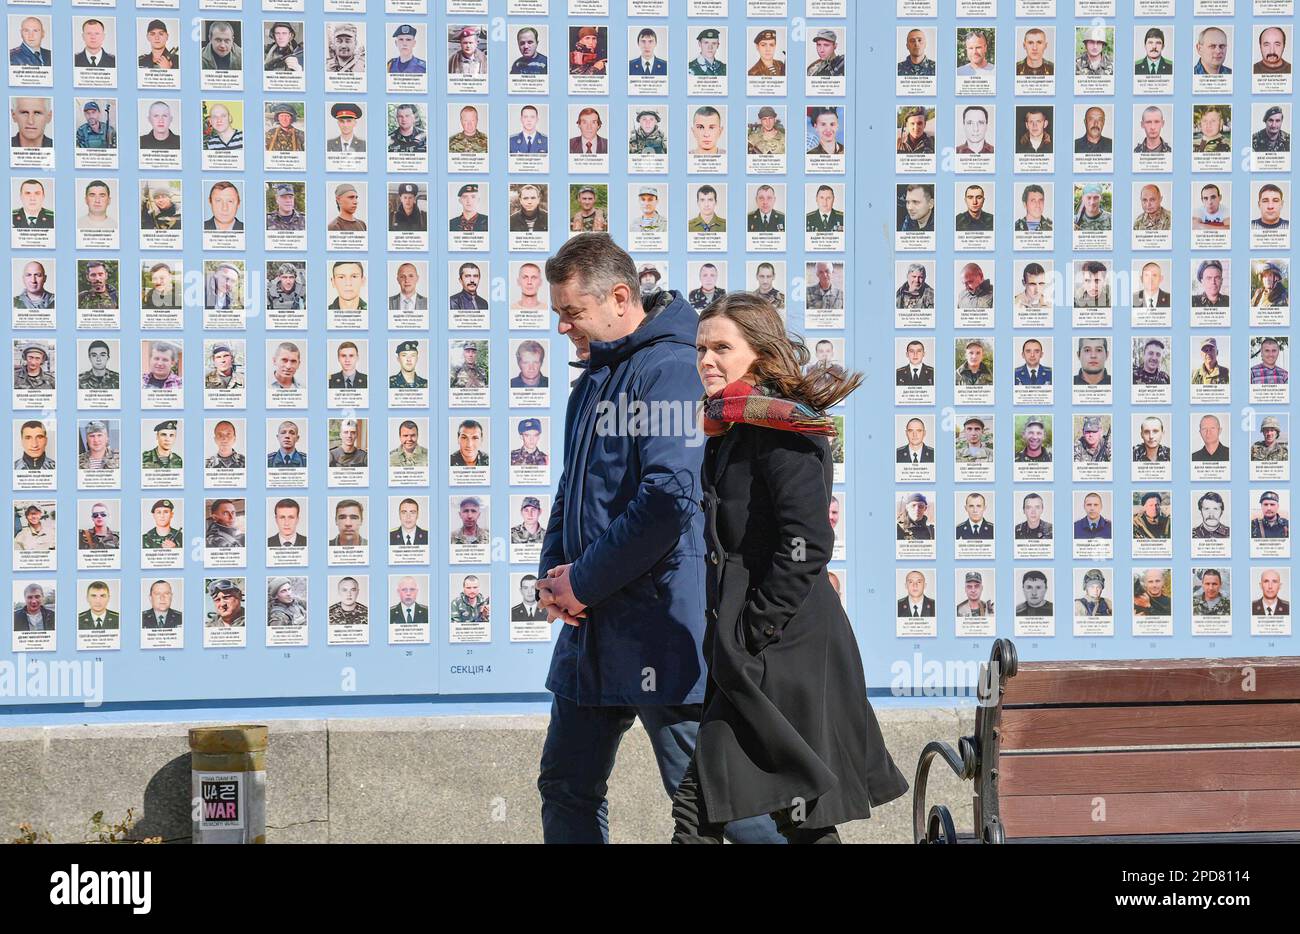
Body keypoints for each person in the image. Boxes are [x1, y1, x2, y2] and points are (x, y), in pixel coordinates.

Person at [533, 235, 786, 845]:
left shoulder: (669, 368)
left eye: (572, 312)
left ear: (620, 297)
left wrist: (584, 582)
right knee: (566, 786)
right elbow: (572, 489)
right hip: (589, 630)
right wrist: (554, 579)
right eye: (559, 313)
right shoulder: (594, 375)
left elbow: (669, 499)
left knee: (711, 800)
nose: (563, 326)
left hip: (656, 629)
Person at [667, 290, 907, 843]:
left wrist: (753, 631)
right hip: (753, 649)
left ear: (760, 354)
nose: (706, 360)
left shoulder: (784, 430)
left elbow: (807, 542)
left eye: (721, 348)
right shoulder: (730, 427)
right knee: (768, 811)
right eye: (700, 348)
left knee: (758, 809)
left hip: (787, 647)